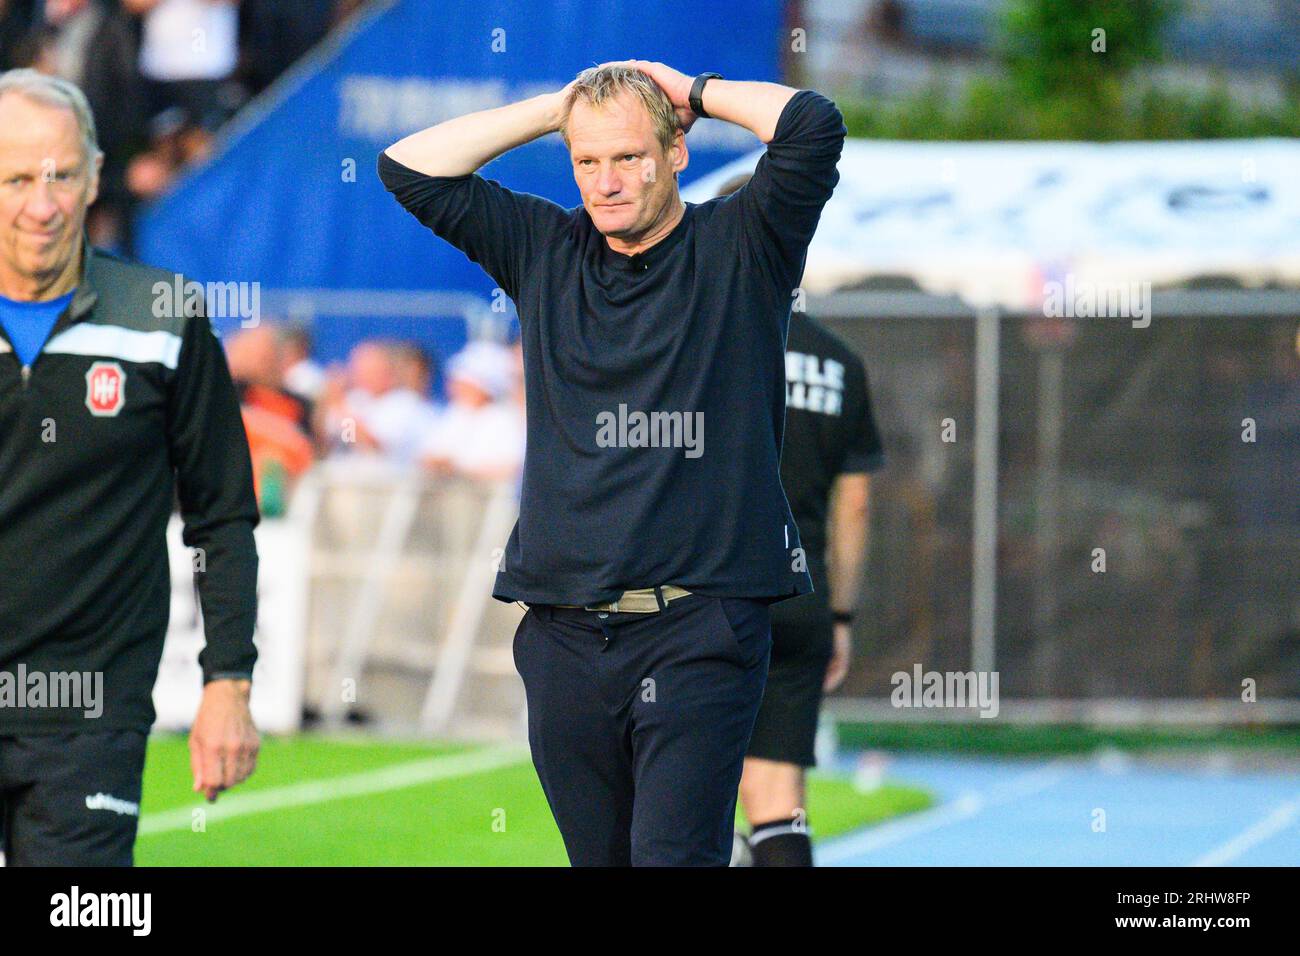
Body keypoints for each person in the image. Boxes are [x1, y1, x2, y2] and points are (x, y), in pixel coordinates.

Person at [380, 61, 844, 865]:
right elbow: (409, 166)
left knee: (671, 856)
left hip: (701, 626)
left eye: (628, 156)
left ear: (677, 154)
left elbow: (812, 125)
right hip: (562, 633)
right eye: (586, 161)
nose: (606, 181)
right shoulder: (542, 248)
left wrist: (692, 92)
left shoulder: (745, 241)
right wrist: (556, 108)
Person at [0, 69, 260, 866]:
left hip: (93, 711)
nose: (42, 205)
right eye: (15, 179)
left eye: (61, 176)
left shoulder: (164, 313)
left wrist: (228, 682)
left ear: (95, 178)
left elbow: (220, 512)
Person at [709, 172, 885, 866]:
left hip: (705, 591)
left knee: (679, 788)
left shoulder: (698, 340)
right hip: (800, 591)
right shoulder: (841, 360)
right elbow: (858, 501)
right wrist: (841, 615)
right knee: (779, 795)